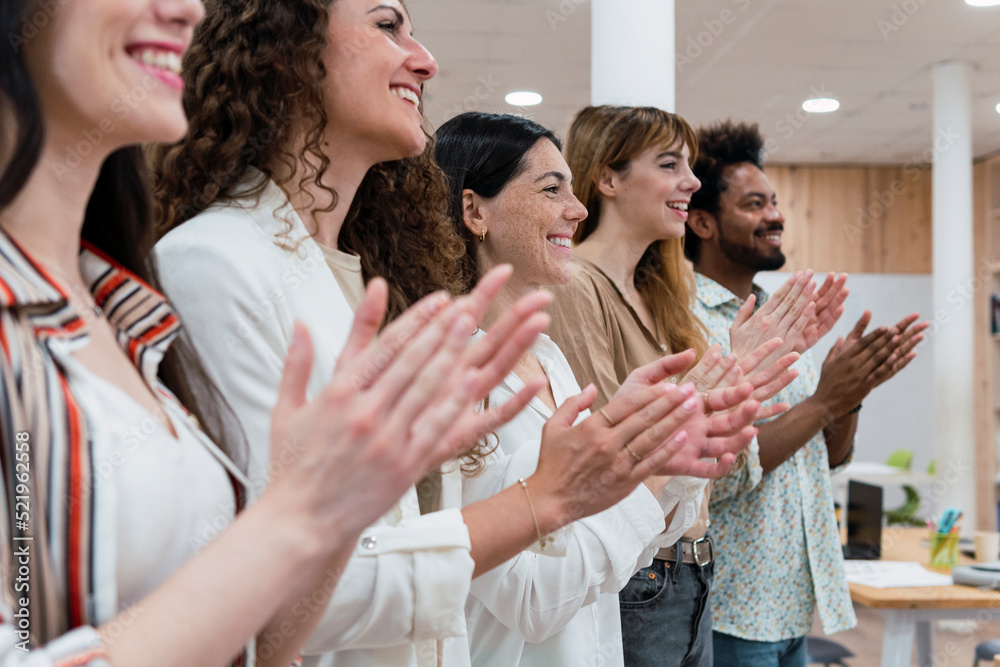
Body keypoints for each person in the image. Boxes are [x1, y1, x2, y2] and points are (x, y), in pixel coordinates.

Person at [151, 2, 721, 665]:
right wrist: (557, 494)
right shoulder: (216, 261)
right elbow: (274, 586)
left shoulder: (367, 282)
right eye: (387, 25)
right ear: (286, 50)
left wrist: (631, 463)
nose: (426, 60)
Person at [0, 0, 528, 665]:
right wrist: (543, 502)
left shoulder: (122, 312)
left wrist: (316, 514)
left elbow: (258, 641)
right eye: (387, 25)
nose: (185, 9)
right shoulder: (200, 266)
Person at [433, 111, 767, 666]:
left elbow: (621, 551)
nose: (579, 209)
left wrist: (675, 455)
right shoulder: (450, 372)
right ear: (474, 210)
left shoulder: (547, 358)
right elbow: (533, 600)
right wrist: (655, 458)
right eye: (551, 189)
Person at [548, 105, 846, 667]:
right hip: (640, 576)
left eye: (689, 165)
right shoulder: (577, 287)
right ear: (607, 179)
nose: (691, 182)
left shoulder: (657, 294)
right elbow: (613, 461)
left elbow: (708, 459)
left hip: (690, 570)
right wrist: (728, 378)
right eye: (669, 165)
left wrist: (745, 379)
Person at [684, 119, 928, 667]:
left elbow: (830, 458)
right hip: (727, 612)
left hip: (795, 606)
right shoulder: (686, 323)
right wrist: (823, 402)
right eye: (753, 204)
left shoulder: (786, 312)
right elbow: (708, 481)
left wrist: (848, 395)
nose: (775, 216)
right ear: (701, 221)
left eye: (773, 201)